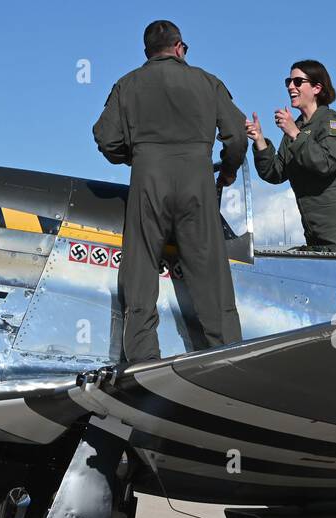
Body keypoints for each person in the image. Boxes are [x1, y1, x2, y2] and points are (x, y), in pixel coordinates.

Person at [93, 20, 246, 363]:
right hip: (198, 179)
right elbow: (236, 135)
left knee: (141, 265)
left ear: (147, 53)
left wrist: (135, 156)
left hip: (149, 177)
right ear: (180, 48)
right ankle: (225, 354)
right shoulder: (208, 81)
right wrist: (229, 170)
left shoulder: (127, 84)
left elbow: (105, 138)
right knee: (209, 272)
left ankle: (143, 357)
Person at [246, 60, 336, 252]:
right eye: (288, 82)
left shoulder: (333, 123)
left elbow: (325, 164)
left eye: (298, 81)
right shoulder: (296, 128)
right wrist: (259, 140)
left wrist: (294, 134)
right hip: (313, 232)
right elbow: (275, 173)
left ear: (317, 87)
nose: (291, 86)